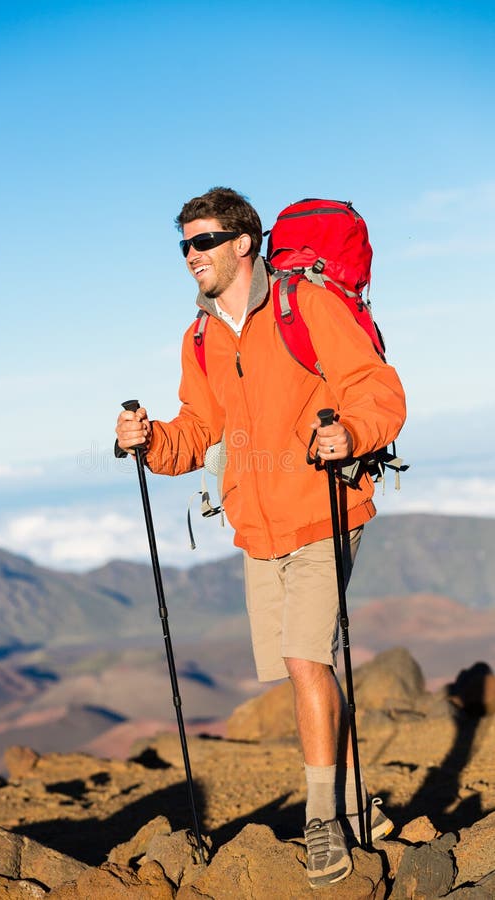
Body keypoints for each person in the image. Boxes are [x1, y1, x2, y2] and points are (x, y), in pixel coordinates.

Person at [115, 187, 406, 888]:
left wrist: (352, 433)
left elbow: (376, 388)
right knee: (290, 666)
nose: (191, 256)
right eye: (183, 244)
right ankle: (347, 801)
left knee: (307, 659)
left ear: (244, 242)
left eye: (203, 241)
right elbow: (198, 430)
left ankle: (323, 823)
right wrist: (149, 440)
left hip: (322, 504)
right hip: (258, 523)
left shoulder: (304, 306)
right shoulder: (202, 336)